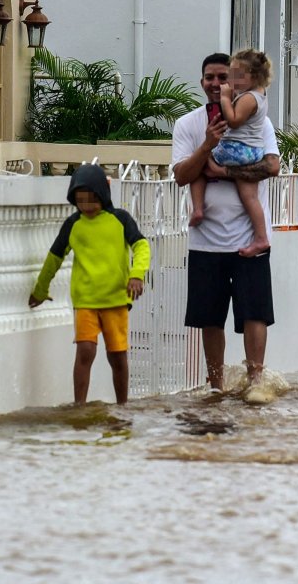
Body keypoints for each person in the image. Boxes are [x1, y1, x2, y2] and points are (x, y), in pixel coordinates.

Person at [171, 53, 279, 398]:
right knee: (209, 318)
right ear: (202, 82)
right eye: (210, 78)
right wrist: (207, 145)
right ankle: (216, 384)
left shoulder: (256, 118)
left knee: (255, 312)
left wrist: (225, 172)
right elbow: (181, 176)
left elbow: (272, 166)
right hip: (205, 241)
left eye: (223, 77)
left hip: (247, 239)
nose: (216, 84)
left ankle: (256, 382)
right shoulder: (187, 124)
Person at [28, 164, 151, 405]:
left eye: (91, 200)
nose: (86, 206)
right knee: (85, 350)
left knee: (117, 356)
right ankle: (79, 405)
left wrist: (137, 274)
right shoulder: (73, 224)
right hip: (85, 300)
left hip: (116, 299)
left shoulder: (120, 219)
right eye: (80, 201)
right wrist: (40, 290)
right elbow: (53, 259)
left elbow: (141, 246)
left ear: (103, 195)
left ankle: (122, 405)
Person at [187, 48, 272, 258]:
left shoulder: (248, 98)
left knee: (199, 162)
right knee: (249, 196)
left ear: (252, 76)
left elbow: (233, 120)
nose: (226, 83)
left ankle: (198, 208)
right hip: (246, 153)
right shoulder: (258, 95)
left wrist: (225, 98)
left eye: (232, 76)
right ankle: (260, 237)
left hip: (237, 152)